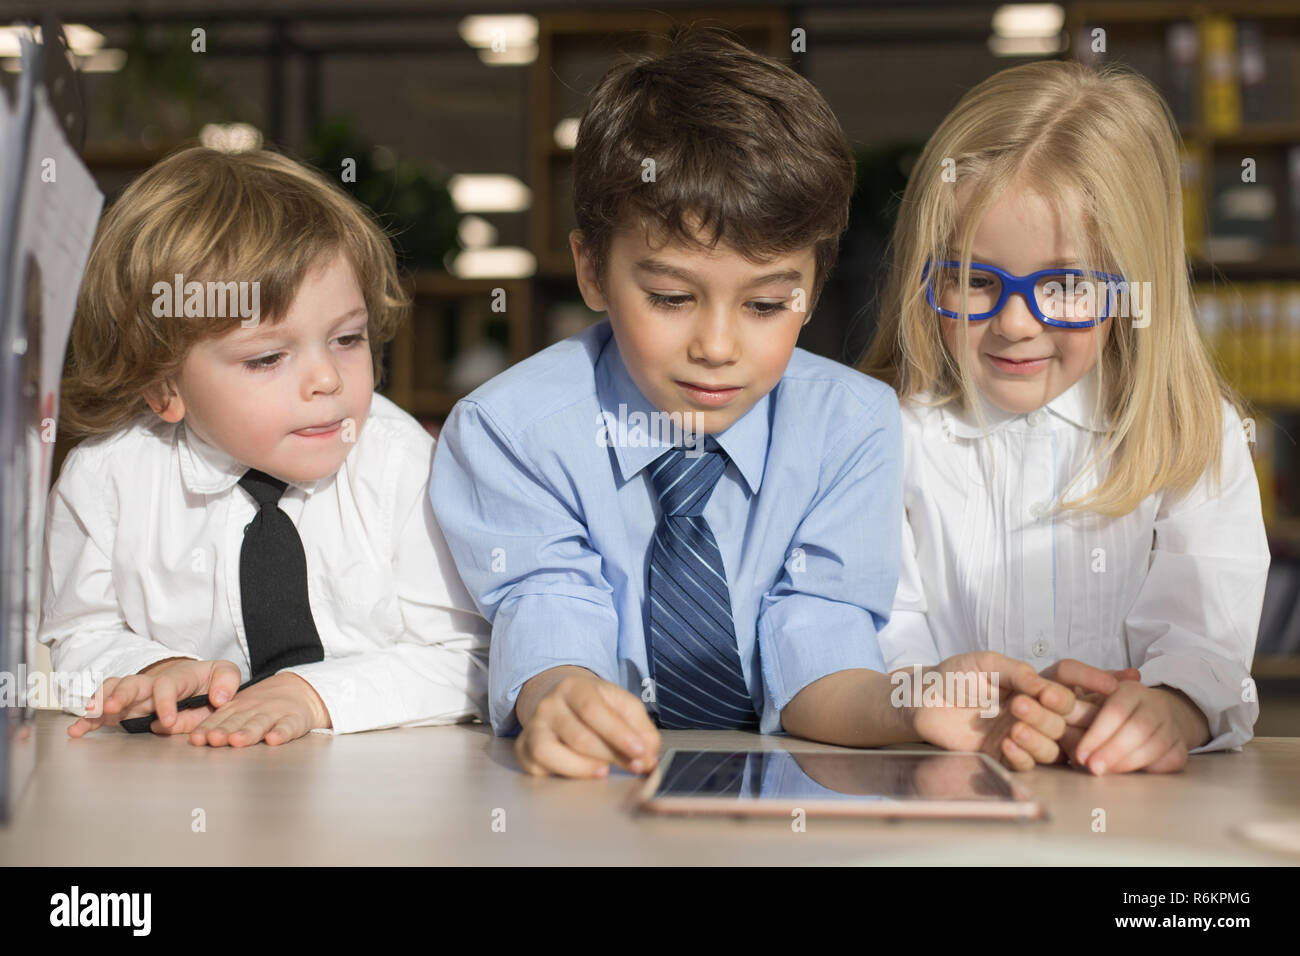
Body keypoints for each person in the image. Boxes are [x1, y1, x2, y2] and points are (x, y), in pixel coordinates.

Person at [432, 29, 1105, 779]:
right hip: (589, 798)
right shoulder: (510, 430)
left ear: (814, 286)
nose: (718, 346)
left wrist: (912, 701)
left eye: (765, 304)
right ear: (591, 269)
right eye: (670, 297)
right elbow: (551, 606)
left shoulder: (853, 425)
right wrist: (563, 692)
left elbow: (818, 642)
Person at [861, 60, 1269, 774]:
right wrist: (930, 696)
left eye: (1067, 285)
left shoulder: (1191, 435)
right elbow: (884, 638)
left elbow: (1208, 647)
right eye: (975, 280)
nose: (1017, 323)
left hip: (1132, 813)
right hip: (941, 797)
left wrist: (1171, 708)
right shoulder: (885, 434)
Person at [41, 146, 488, 746]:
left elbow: (470, 661)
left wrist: (314, 695)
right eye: (268, 358)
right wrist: (150, 672)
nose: (326, 379)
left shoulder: (402, 466)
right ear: (163, 384)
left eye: (347, 338)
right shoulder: (106, 482)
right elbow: (79, 634)